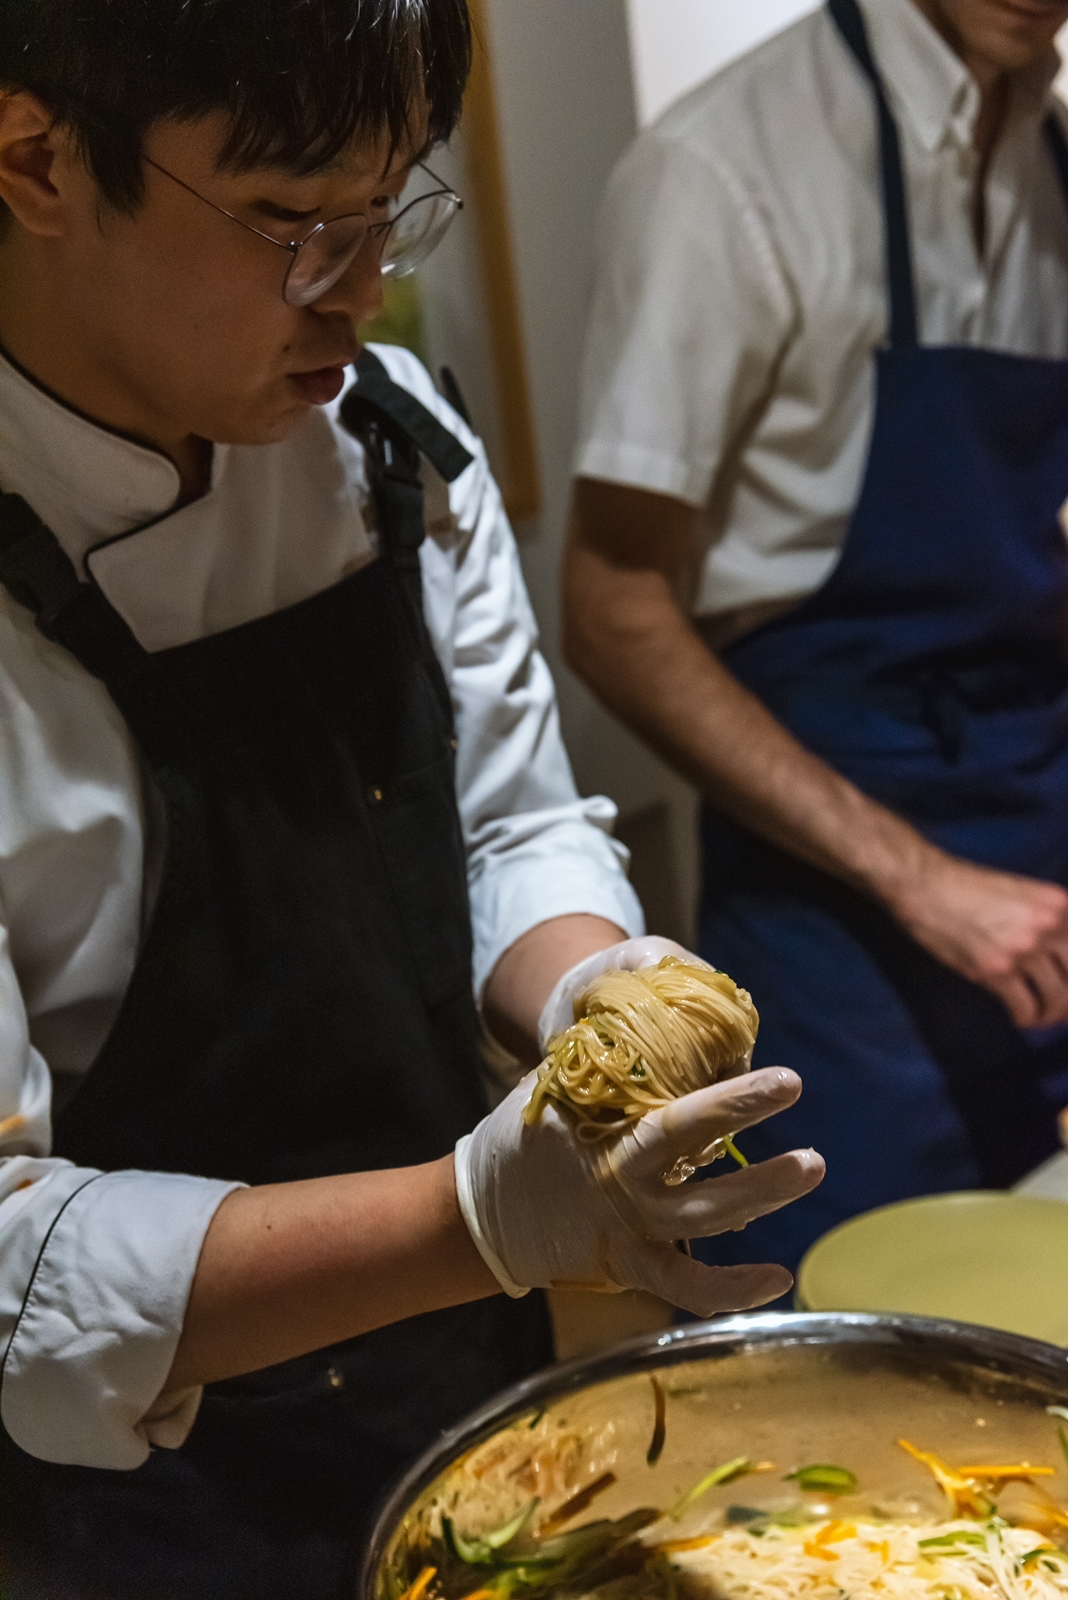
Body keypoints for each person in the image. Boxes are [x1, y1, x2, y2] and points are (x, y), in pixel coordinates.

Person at [0, 1, 826, 1596]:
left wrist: (604, 982)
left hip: (459, 1377)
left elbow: (506, 827)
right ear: (36, 156)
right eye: (296, 223)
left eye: (390, 209)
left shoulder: (387, 441)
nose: (361, 291)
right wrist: (473, 1218)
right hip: (146, 1478)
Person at [566, 0, 1068, 1286]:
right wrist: (919, 877)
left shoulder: (1050, 158)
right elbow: (614, 605)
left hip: (1037, 852)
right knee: (838, 1363)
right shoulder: (725, 173)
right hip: (835, 928)